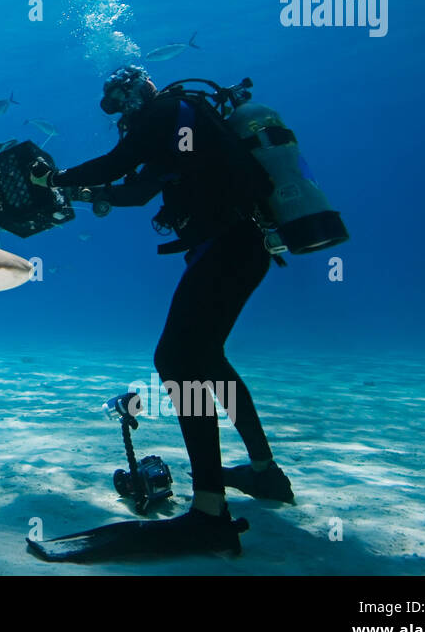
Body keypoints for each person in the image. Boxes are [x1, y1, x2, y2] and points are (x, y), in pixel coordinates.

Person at [30, 64, 294, 557]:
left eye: (119, 102)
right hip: (240, 244)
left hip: (229, 246)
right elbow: (136, 189)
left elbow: (116, 164)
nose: (121, 115)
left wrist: (56, 178)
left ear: (137, 93)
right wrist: (81, 192)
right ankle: (265, 475)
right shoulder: (182, 123)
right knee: (208, 359)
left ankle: (209, 514)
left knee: (176, 360)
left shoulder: (168, 113)